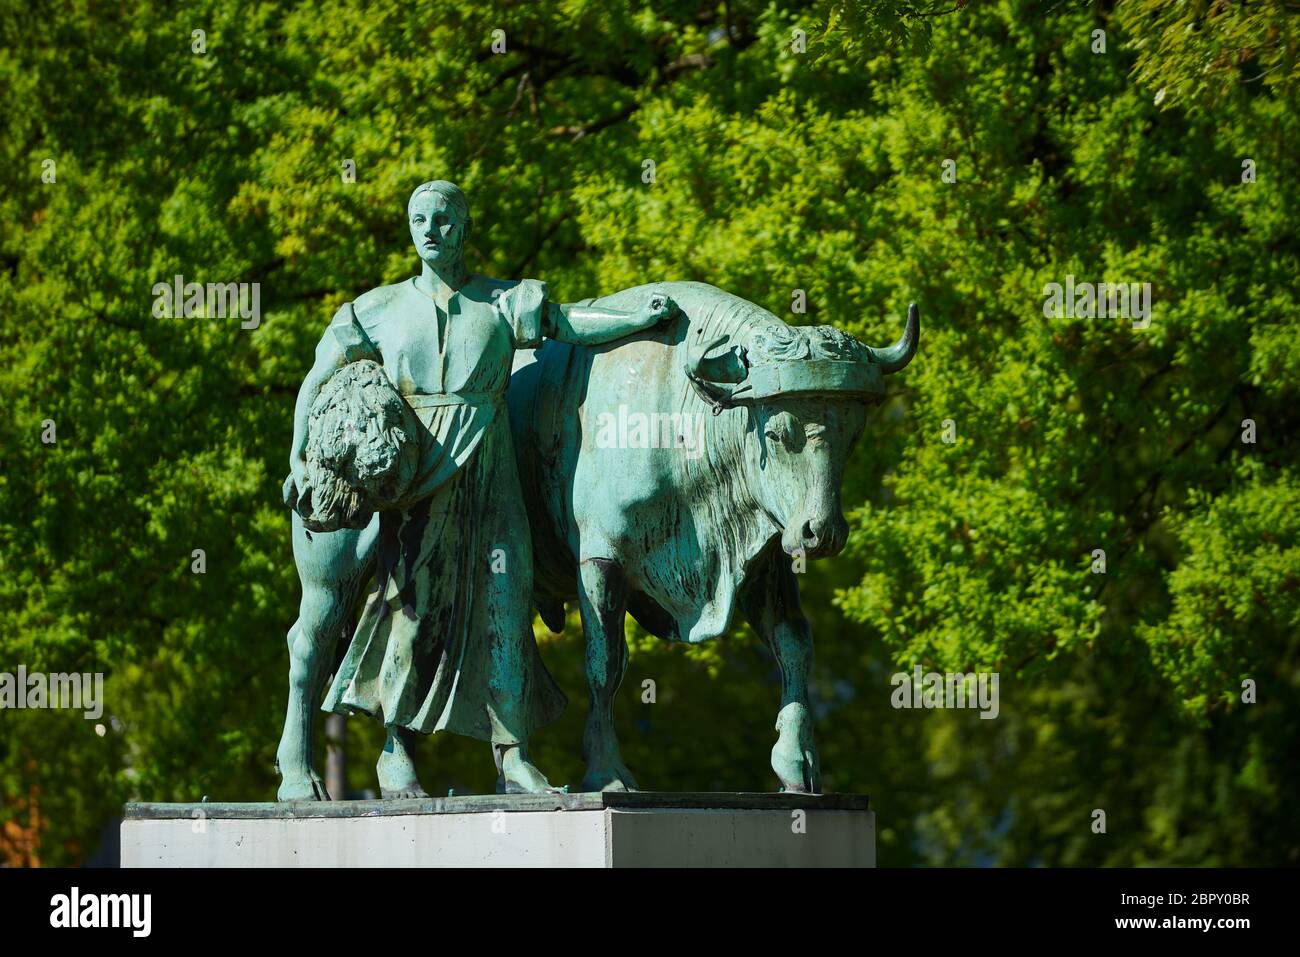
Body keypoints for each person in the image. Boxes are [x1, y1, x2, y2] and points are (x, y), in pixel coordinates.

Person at [285, 180, 675, 794]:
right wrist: (300, 456)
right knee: (410, 607)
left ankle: (512, 753)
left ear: (464, 227)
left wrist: (637, 317)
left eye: (442, 219)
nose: (430, 230)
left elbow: (570, 323)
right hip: (416, 478)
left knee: (508, 604)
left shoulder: (503, 300)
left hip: (492, 473)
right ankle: (396, 749)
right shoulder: (377, 308)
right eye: (418, 220)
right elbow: (318, 376)